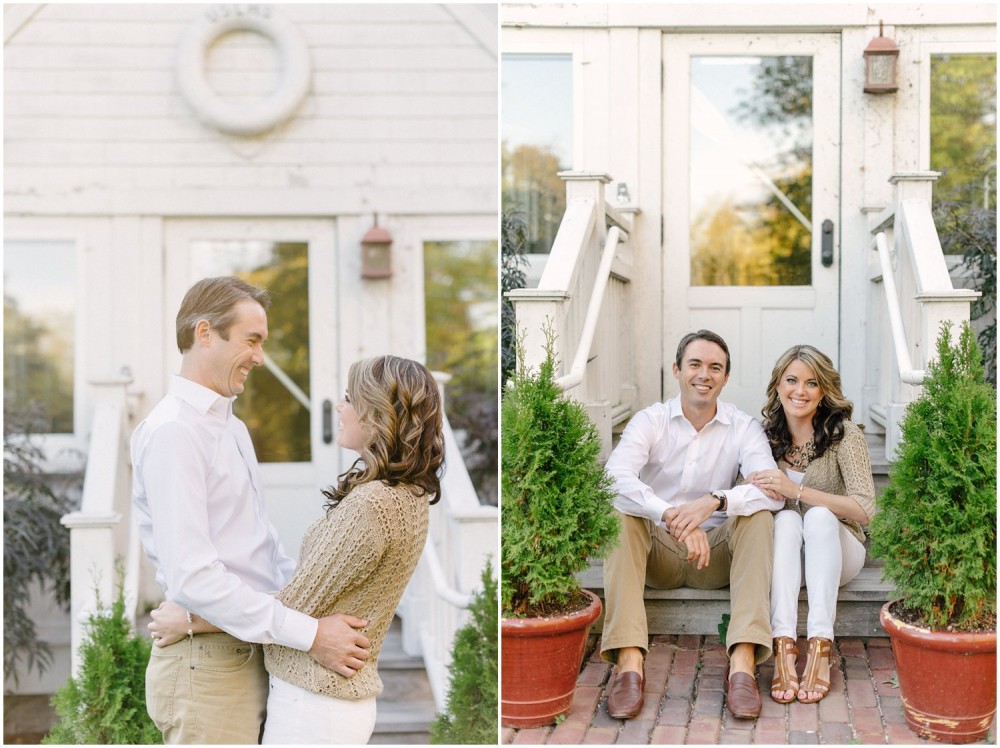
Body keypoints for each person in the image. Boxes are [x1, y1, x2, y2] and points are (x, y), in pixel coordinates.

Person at [151, 355, 445, 745]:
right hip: (332, 701)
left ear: (377, 414)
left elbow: (297, 608)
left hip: (315, 705)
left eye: (349, 398)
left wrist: (192, 619)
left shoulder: (373, 505)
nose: (338, 407)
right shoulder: (408, 495)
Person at [133, 276, 371, 744]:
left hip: (249, 649)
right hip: (210, 670)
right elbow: (193, 578)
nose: (260, 357)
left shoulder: (232, 427)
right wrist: (310, 634)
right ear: (205, 333)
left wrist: (312, 612)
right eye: (252, 340)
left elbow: (261, 553)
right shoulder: (174, 433)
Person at [601, 330, 786, 722]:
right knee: (621, 515)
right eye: (695, 364)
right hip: (658, 554)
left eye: (715, 367)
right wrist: (672, 516)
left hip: (715, 556)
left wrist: (714, 501)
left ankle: (743, 661)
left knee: (757, 517)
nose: (704, 374)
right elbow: (613, 480)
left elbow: (773, 490)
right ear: (677, 370)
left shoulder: (743, 427)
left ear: (726, 377)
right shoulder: (650, 421)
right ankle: (629, 660)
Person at [748, 345, 875, 705]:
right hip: (786, 558)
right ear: (777, 385)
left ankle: (820, 646)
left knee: (817, 515)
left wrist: (797, 491)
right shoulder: (762, 438)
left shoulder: (844, 435)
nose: (800, 391)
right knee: (787, 519)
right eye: (791, 380)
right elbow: (744, 493)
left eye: (811, 383)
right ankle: (783, 647)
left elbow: (865, 508)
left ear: (823, 391)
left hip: (839, 552)